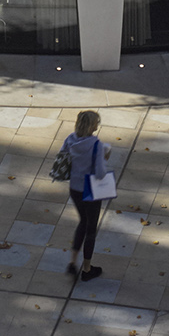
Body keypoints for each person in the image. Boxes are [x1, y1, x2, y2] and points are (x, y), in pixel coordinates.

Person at [61, 110, 113, 282]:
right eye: (96, 123)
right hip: (90, 190)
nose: (98, 126)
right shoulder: (96, 145)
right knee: (91, 229)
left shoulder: (70, 139)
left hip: (74, 188)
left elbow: (63, 157)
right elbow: (99, 173)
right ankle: (87, 269)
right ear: (91, 126)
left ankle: (72, 261)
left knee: (82, 221)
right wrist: (105, 157)